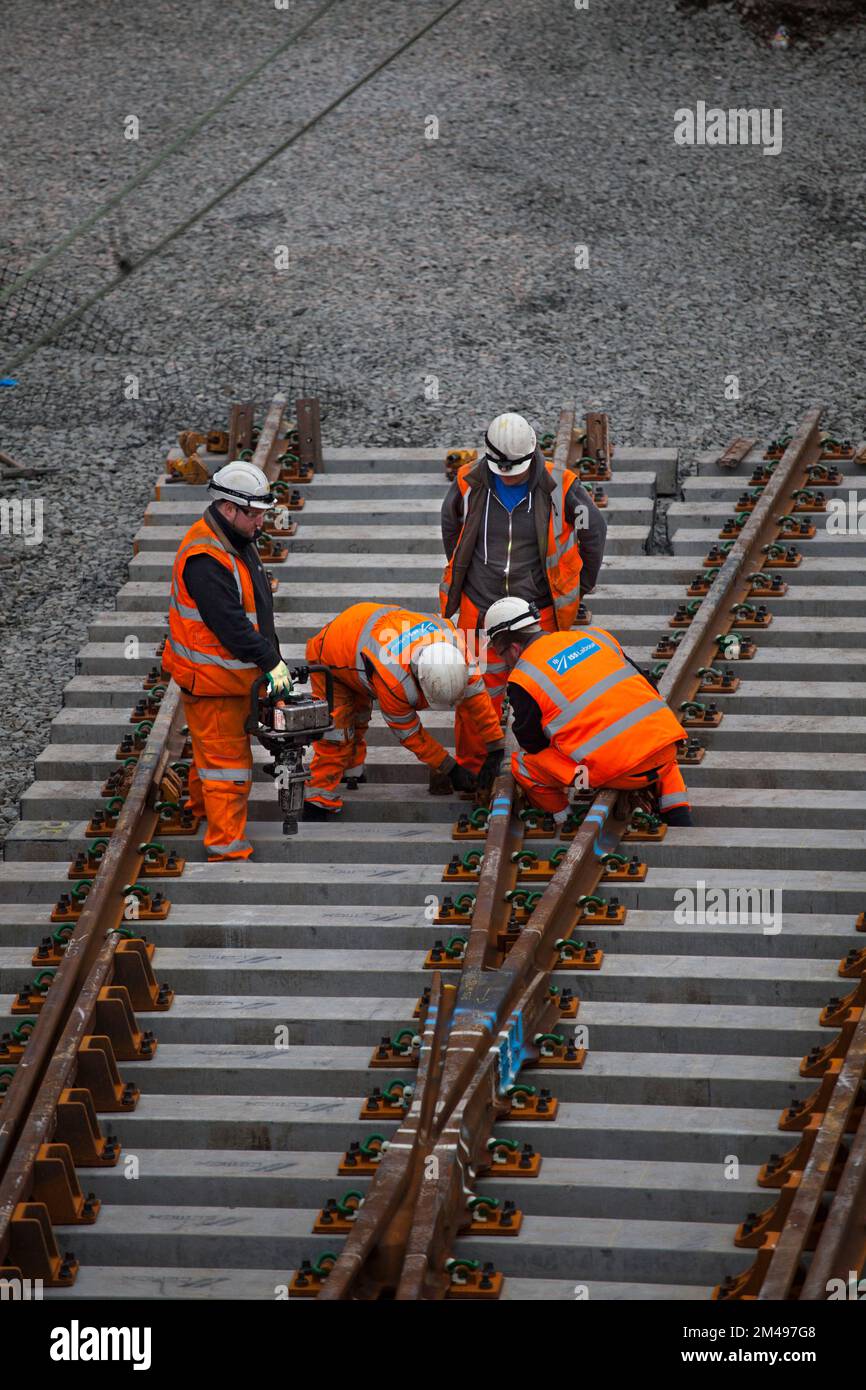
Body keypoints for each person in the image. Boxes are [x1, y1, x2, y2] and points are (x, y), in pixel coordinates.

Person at [440, 411, 608, 771]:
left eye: (518, 468)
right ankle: (474, 770)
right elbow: (452, 528)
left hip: (536, 611)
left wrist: (582, 585)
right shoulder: (468, 483)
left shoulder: (561, 486)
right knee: (474, 694)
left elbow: (593, 531)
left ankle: (545, 770)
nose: (513, 476)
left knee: (544, 691)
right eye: (506, 470)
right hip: (479, 608)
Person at [162, 460, 292, 860]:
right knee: (227, 767)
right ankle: (226, 845)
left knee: (212, 755)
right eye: (253, 514)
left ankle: (199, 810)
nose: (260, 522)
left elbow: (258, 613)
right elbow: (232, 627)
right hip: (212, 682)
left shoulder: (237, 541)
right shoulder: (205, 559)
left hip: (232, 680)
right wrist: (271, 663)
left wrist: (274, 659)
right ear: (228, 507)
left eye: (262, 514)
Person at [482, 596, 692, 826]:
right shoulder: (596, 636)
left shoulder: (524, 677)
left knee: (522, 764)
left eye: (500, 654)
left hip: (613, 775)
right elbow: (648, 686)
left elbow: (532, 744)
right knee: (651, 741)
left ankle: (564, 817)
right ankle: (678, 812)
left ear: (513, 649)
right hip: (666, 750)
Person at [303, 603, 504, 819]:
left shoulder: (456, 650)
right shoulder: (394, 680)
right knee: (338, 732)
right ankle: (317, 800)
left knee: (359, 716)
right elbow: (410, 733)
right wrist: (450, 767)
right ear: (421, 681)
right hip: (332, 652)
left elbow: (477, 698)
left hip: (363, 635)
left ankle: (352, 772)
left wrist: (495, 746)